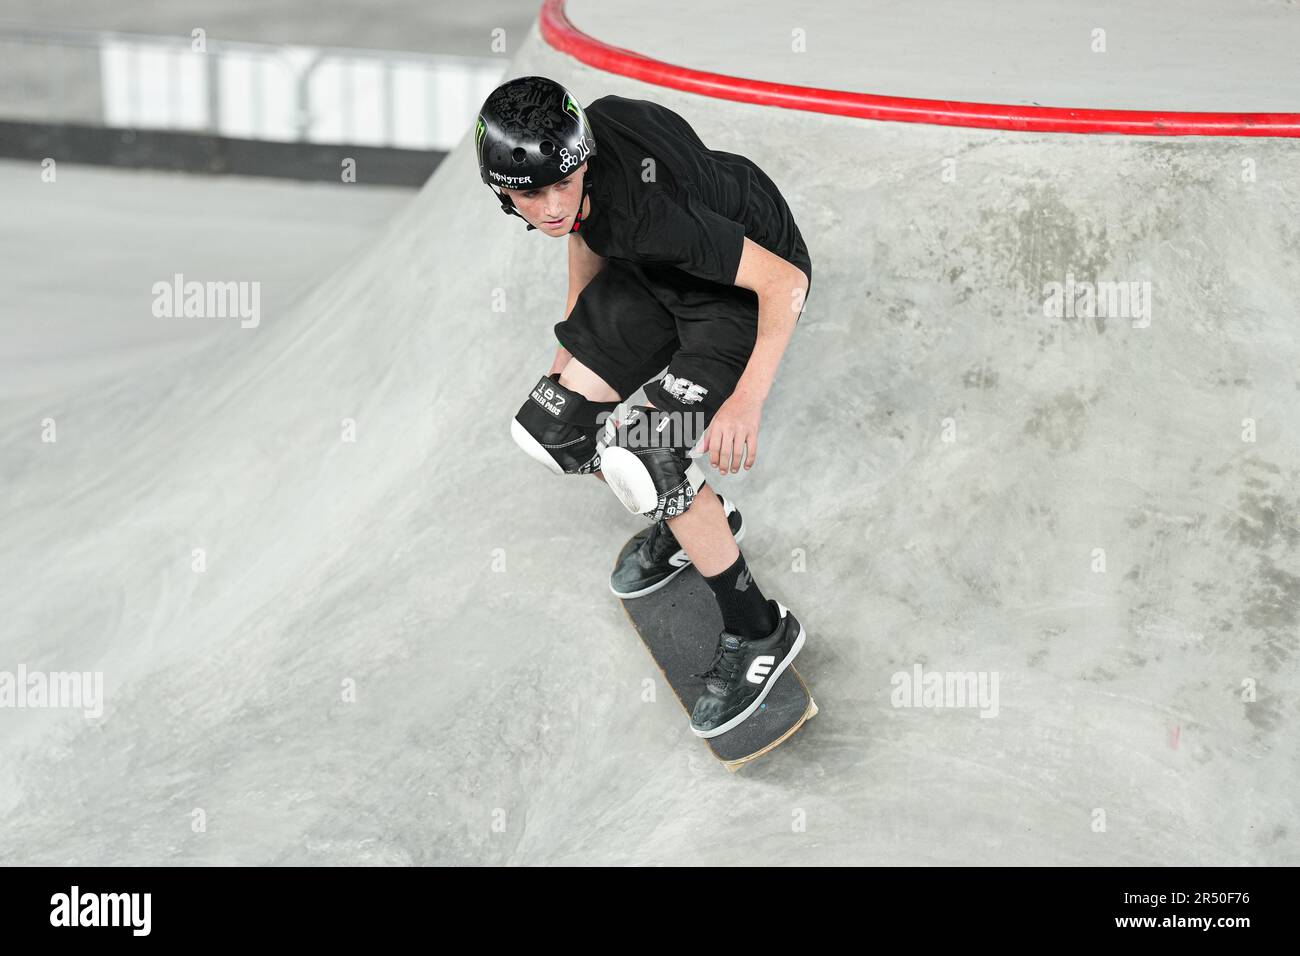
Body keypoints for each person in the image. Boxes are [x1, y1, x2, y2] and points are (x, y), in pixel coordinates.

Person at [477, 75, 812, 739]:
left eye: (559, 187)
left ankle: (759, 631)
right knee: (554, 427)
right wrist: (571, 340)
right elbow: (581, 231)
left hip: (736, 293)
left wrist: (747, 400)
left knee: (651, 455)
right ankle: (695, 514)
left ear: (584, 164)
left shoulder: (650, 214)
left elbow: (785, 283)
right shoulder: (583, 179)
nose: (547, 208)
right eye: (527, 194)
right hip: (653, 275)